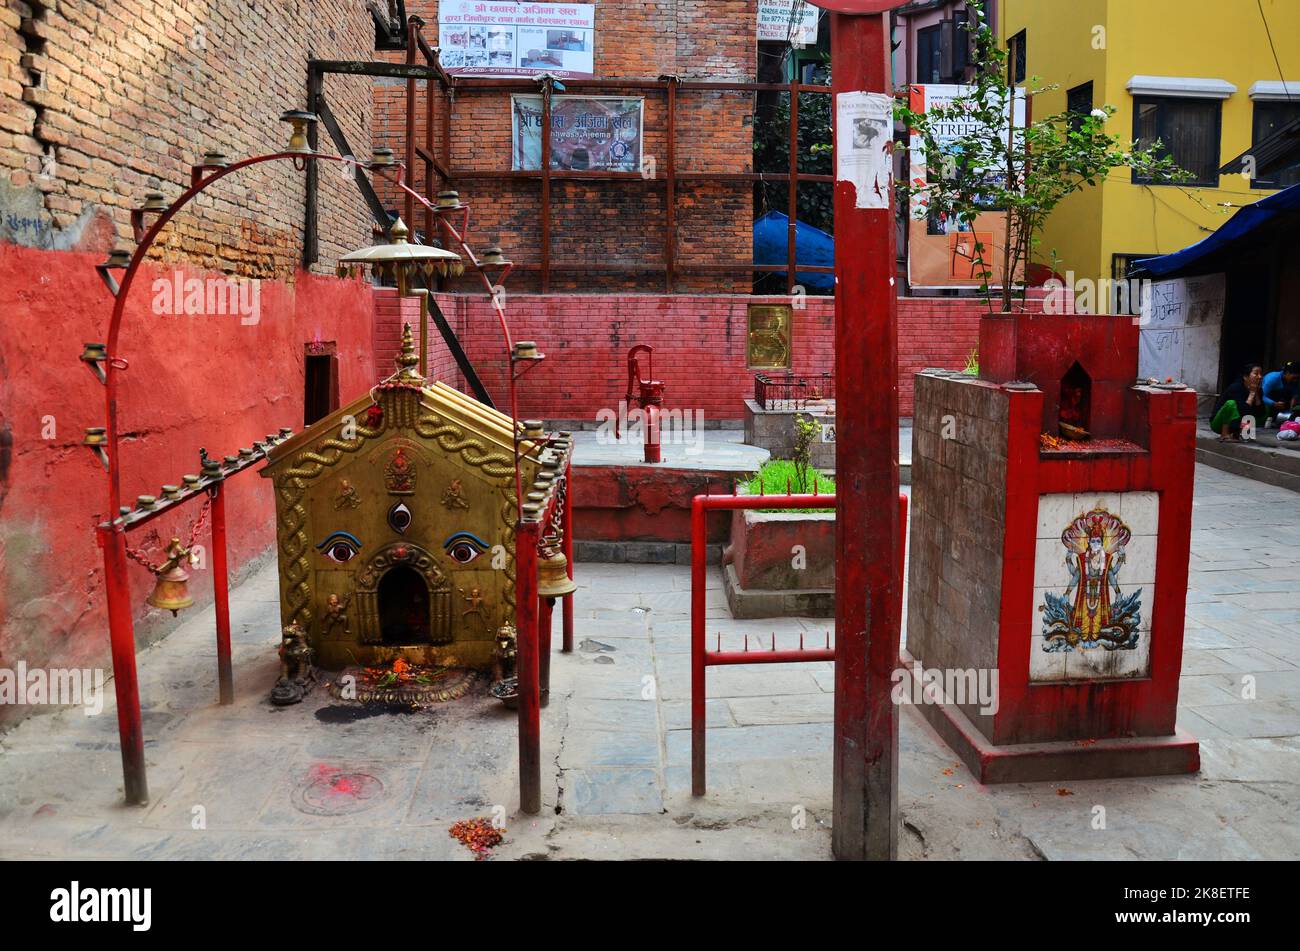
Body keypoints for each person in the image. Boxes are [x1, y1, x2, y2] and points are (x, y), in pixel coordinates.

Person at [1211, 363, 1273, 440]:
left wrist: (1256, 394)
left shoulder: (1259, 390)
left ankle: (1242, 433)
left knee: (1266, 408)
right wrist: (1252, 394)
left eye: (1261, 374)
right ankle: (1224, 434)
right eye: (1256, 374)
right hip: (1219, 423)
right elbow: (1243, 411)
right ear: (1245, 377)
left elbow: (1261, 413)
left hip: (1237, 422)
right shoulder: (1236, 388)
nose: (1260, 377)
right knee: (1231, 404)